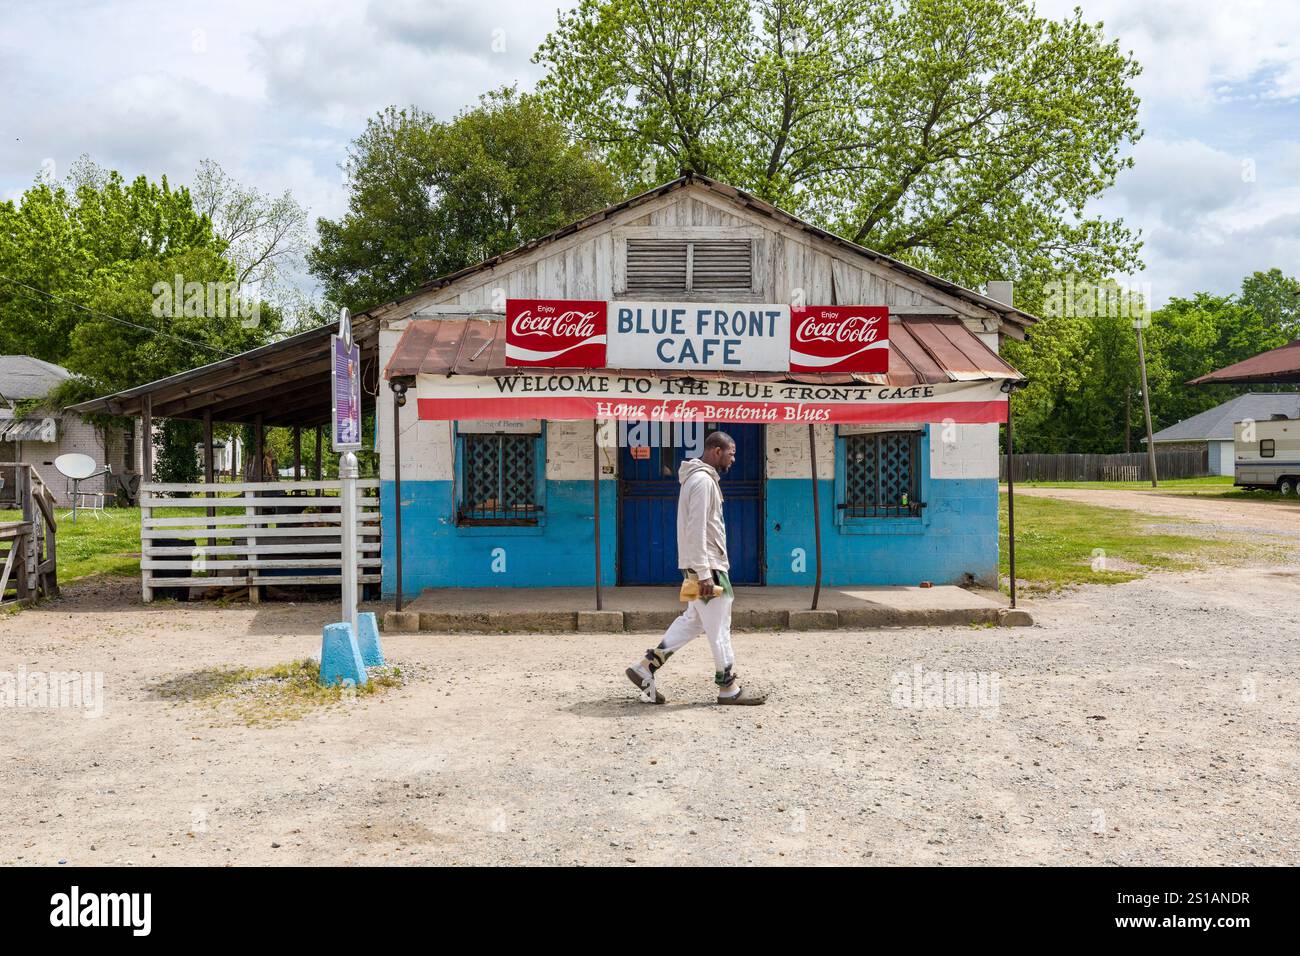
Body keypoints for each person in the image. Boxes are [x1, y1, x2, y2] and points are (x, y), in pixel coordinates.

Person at [626, 430, 767, 706]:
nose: (734, 459)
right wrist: (704, 574)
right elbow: (696, 529)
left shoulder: (699, 479)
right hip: (709, 569)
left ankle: (645, 667)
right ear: (716, 451)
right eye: (732, 453)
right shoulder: (702, 481)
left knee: (692, 620)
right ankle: (728, 688)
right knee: (720, 627)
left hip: (699, 567)